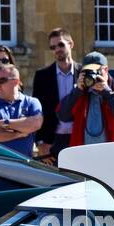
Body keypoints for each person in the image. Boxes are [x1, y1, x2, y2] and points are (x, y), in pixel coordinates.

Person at [56, 52, 114, 146]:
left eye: (96, 71)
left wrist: (107, 92)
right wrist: (77, 91)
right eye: (87, 72)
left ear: (106, 70)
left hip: (113, 153)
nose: (92, 75)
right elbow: (63, 115)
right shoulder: (81, 92)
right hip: (84, 153)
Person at [0, 64, 43, 157]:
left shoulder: (31, 102)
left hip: (24, 165)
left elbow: (35, 124)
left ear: (16, 81)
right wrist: (19, 134)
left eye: (2, 81)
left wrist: (5, 123)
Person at [32, 29, 78, 161]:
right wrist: (40, 143)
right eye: (53, 47)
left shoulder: (83, 73)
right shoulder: (42, 76)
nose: (57, 49)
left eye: (61, 45)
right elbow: (37, 111)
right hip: (52, 141)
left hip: (79, 138)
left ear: (71, 44)